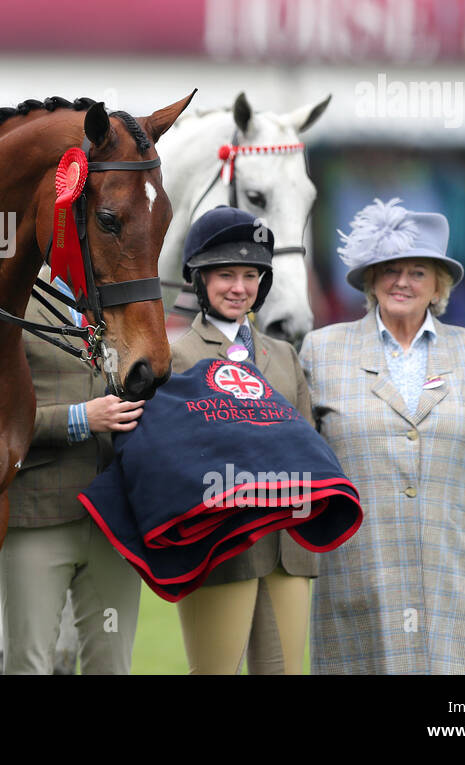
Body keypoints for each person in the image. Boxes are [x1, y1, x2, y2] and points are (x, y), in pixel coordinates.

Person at [300, 197, 465, 674]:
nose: (402, 282)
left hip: (451, 566)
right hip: (356, 565)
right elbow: (297, 455)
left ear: (438, 287)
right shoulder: (321, 351)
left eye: (417, 272)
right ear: (371, 279)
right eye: (389, 270)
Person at [169, 207, 317, 674]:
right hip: (220, 548)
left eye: (250, 275)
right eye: (225, 275)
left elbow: (309, 445)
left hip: (288, 547)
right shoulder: (177, 357)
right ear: (199, 280)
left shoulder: (284, 355)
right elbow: (172, 457)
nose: (239, 287)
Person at [0, 267, 144, 674]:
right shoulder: (12, 301)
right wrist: (79, 418)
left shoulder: (123, 303)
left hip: (114, 520)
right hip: (37, 514)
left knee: (112, 665)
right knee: (28, 663)